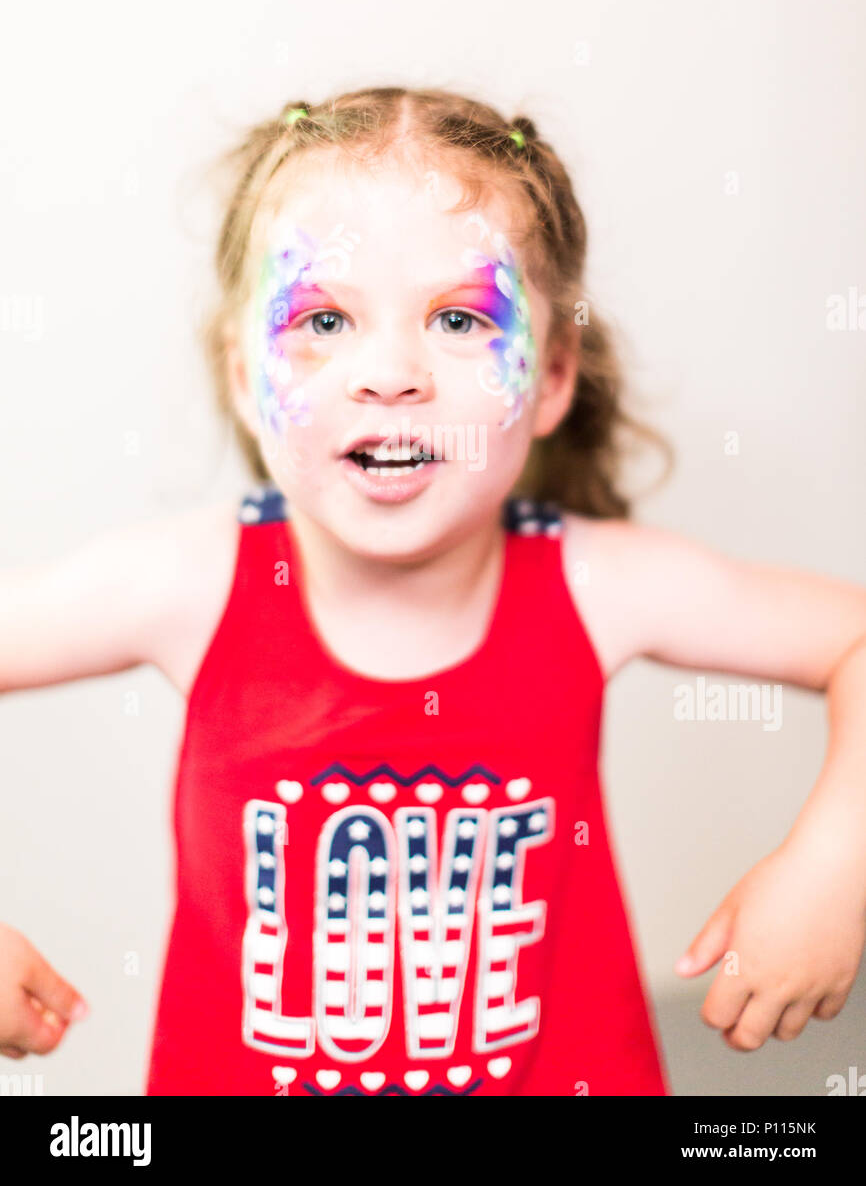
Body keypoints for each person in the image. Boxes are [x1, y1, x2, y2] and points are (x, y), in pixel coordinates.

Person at [2, 86, 865, 1096]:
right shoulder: (188, 584)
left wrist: (833, 867)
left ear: (548, 379)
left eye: (457, 317)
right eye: (324, 316)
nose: (390, 372)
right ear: (245, 379)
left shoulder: (594, 583)